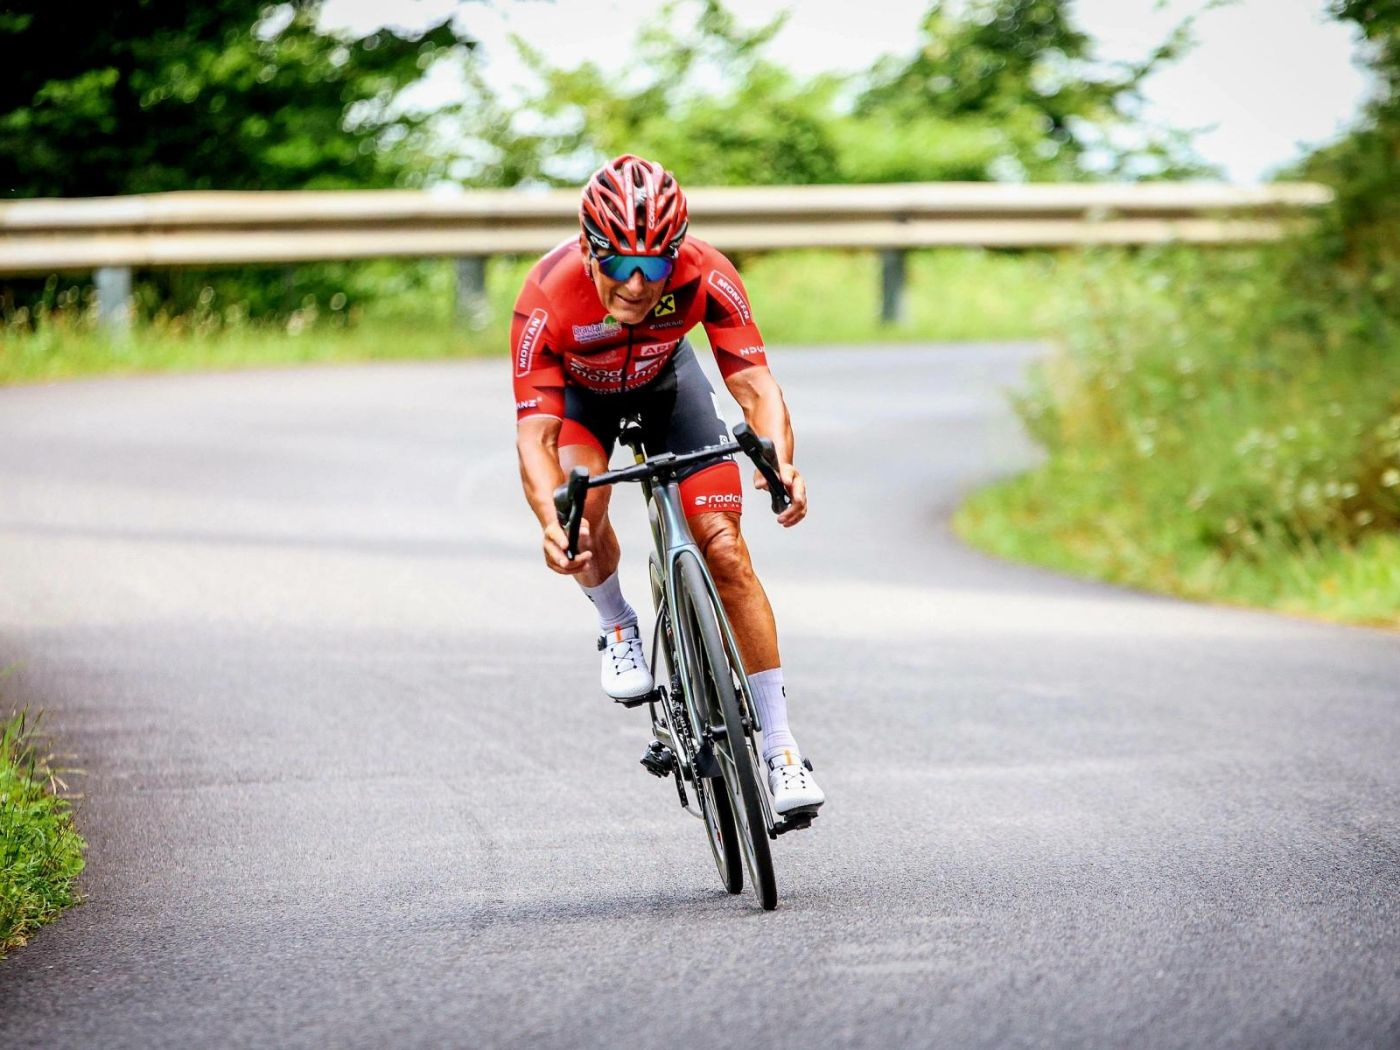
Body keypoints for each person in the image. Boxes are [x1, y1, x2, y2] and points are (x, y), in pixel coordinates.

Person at [511, 154, 824, 816]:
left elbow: (754, 384)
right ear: (588, 250)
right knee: (582, 510)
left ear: (674, 256)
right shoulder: (546, 296)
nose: (635, 284)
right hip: (583, 403)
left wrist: (781, 462)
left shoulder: (705, 271)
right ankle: (616, 622)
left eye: (653, 267)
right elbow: (536, 436)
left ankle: (780, 747)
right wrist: (550, 521)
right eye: (619, 263)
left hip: (668, 387)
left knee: (725, 547)